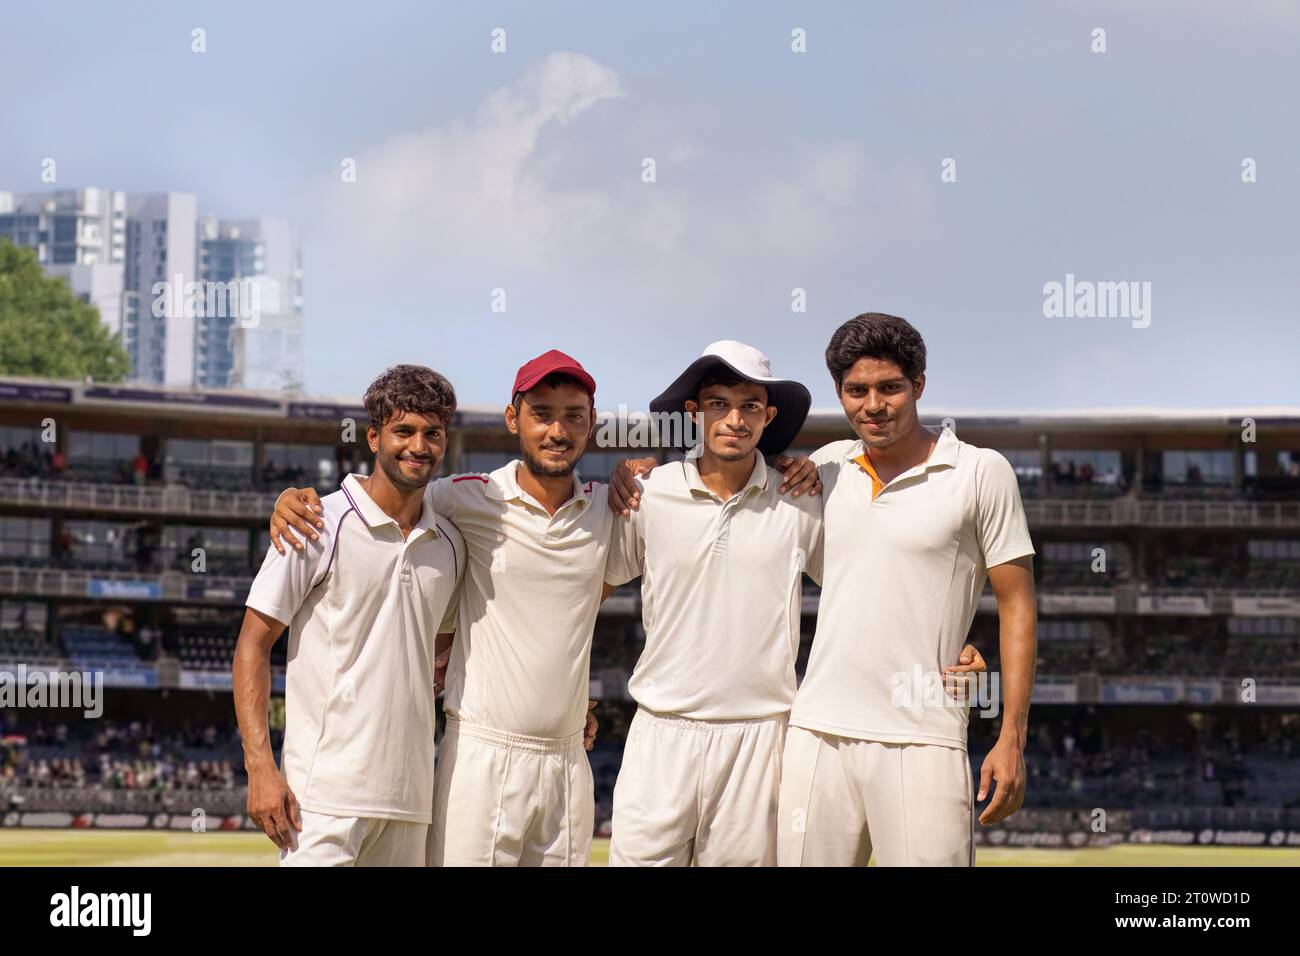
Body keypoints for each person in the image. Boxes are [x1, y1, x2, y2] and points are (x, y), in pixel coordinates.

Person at [606, 341, 987, 866]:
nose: (734, 419)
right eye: (718, 403)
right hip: (660, 731)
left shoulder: (801, 496)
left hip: (763, 738)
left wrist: (955, 640)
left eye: (750, 406)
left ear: (769, 416)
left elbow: (879, 579)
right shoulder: (648, 494)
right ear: (694, 412)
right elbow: (586, 591)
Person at [776, 313, 1037, 866]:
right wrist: (646, 468)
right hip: (817, 733)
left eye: (890, 387)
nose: (873, 405)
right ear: (839, 394)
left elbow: (1017, 602)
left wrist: (1011, 736)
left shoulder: (980, 471)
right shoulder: (824, 469)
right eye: (856, 391)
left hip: (925, 738)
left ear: (919, 385)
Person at [233, 365, 464, 866]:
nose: (418, 447)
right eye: (403, 431)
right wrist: (259, 766)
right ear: (374, 436)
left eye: (432, 433)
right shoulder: (315, 523)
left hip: (410, 800)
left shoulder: (449, 545)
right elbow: (252, 643)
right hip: (322, 798)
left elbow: (440, 654)